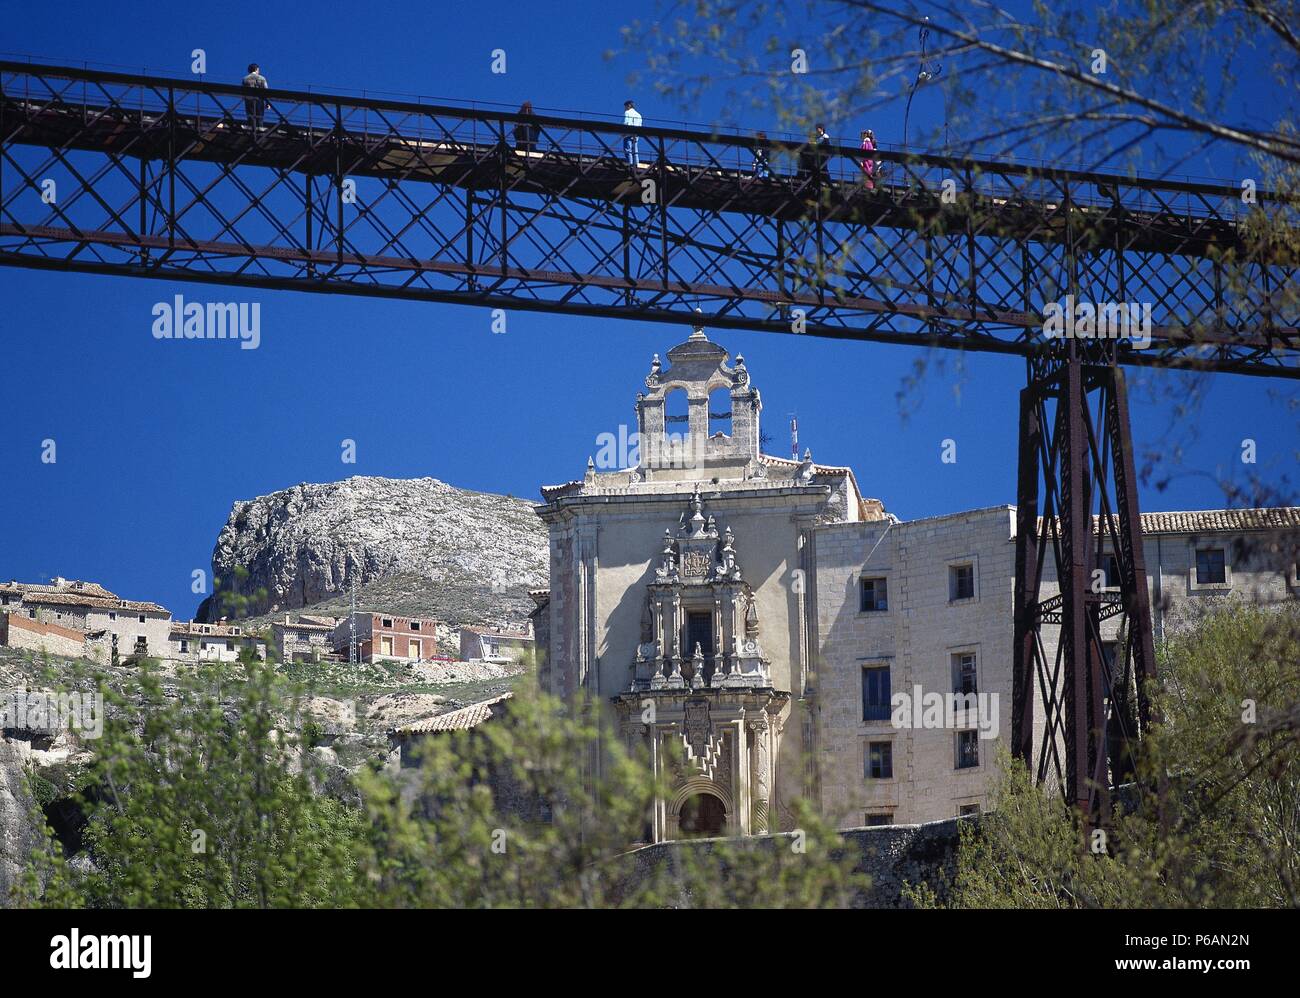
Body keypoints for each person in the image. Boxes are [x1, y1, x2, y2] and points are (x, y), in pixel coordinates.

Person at [243, 63, 269, 129]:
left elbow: (243, 92)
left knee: (251, 117)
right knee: (259, 117)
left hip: (249, 101)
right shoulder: (262, 78)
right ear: (256, 69)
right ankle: (260, 129)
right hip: (260, 101)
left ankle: (250, 129)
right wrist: (267, 103)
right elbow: (266, 91)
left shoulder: (245, 79)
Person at [623, 99, 642, 167]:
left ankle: (630, 163)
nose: (624, 108)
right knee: (635, 150)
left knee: (628, 149)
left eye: (625, 106)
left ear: (629, 106)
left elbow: (626, 122)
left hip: (628, 133)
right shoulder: (639, 115)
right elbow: (640, 126)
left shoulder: (627, 112)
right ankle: (636, 163)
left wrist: (624, 132)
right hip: (636, 134)